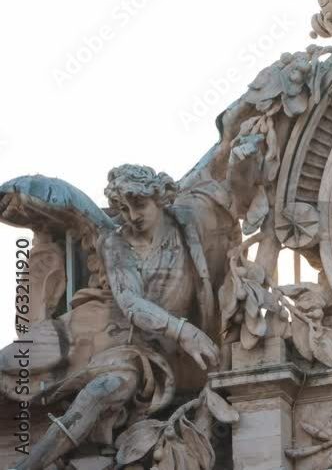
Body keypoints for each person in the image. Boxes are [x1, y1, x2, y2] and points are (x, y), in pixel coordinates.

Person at [1, 165, 237, 469]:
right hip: (87, 330)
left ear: (160, 198)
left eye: (139, 204)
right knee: (9, 365)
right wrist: (184, 332)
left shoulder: (187, 222)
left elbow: (224, 175)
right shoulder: (116, 242)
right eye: (123, 208)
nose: (132, 215)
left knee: (102, 391)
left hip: (141, 355)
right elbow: (132, 303)